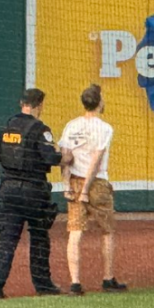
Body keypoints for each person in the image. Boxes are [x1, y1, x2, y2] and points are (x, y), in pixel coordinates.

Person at [0, 88, 66, 300]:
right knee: (39, 236)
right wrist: (63, 156)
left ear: (22, 103)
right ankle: (43, 284)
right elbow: (51, 158)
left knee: (7, 238)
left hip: (8, 189)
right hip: (33, 191)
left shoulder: (8, 126)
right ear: (39, 105)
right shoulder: (40, 130)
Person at [57, 84, 126, 295]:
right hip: (96, 183)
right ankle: (107, 278)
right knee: (107, 230)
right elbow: (96, 160)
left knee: (75, 231)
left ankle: (75, 283)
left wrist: (66, 185)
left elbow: (65, 157)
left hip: (74, 181)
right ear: (99, 102)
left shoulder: (72, 125)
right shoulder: (104, 128)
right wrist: (86, 189)